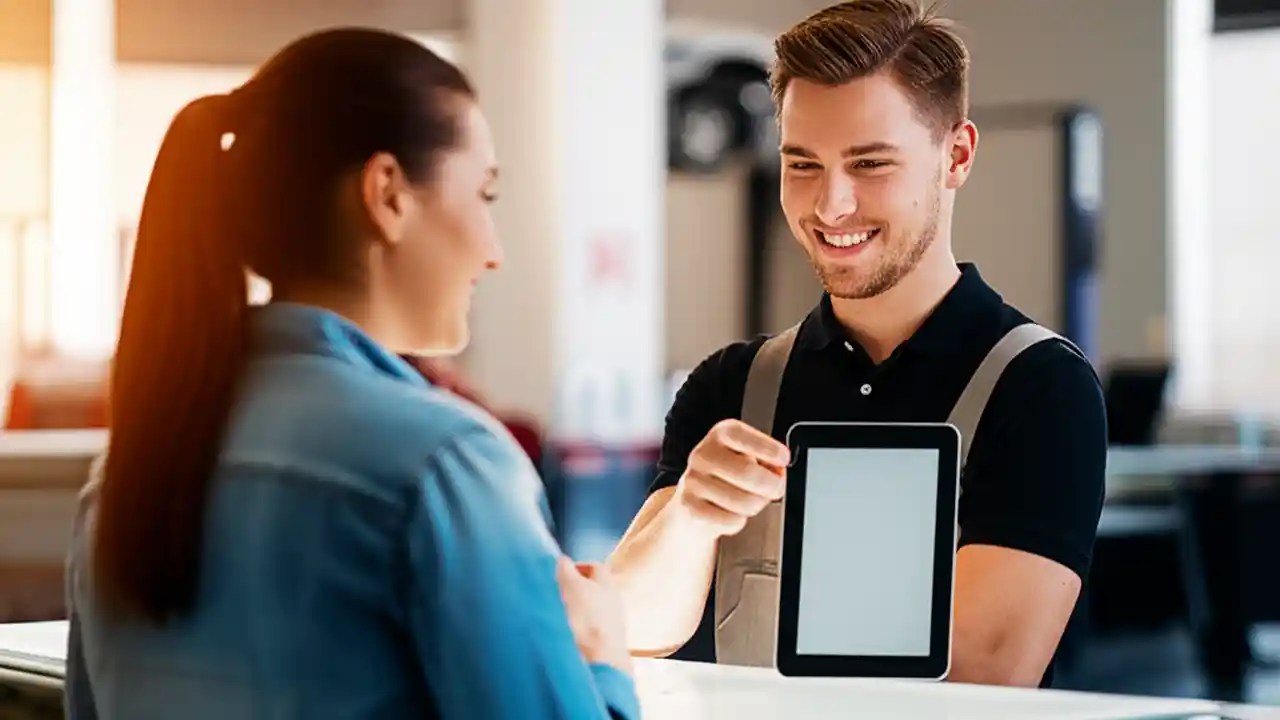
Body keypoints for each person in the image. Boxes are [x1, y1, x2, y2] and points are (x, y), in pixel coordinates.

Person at [65, 28, 638, 720]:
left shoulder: (128, 478)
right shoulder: (447, 464)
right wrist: (603, 661)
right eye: (485, 196)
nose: (494, 252)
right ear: (387, 193)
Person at [608, 0, 1106, 689]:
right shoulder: (731, 387)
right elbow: (627, 631)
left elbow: (985, 669)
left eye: (870, 164)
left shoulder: (1040, 387)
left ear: (955, 155)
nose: (830, 205)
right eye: (802, 164)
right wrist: (691, 515)